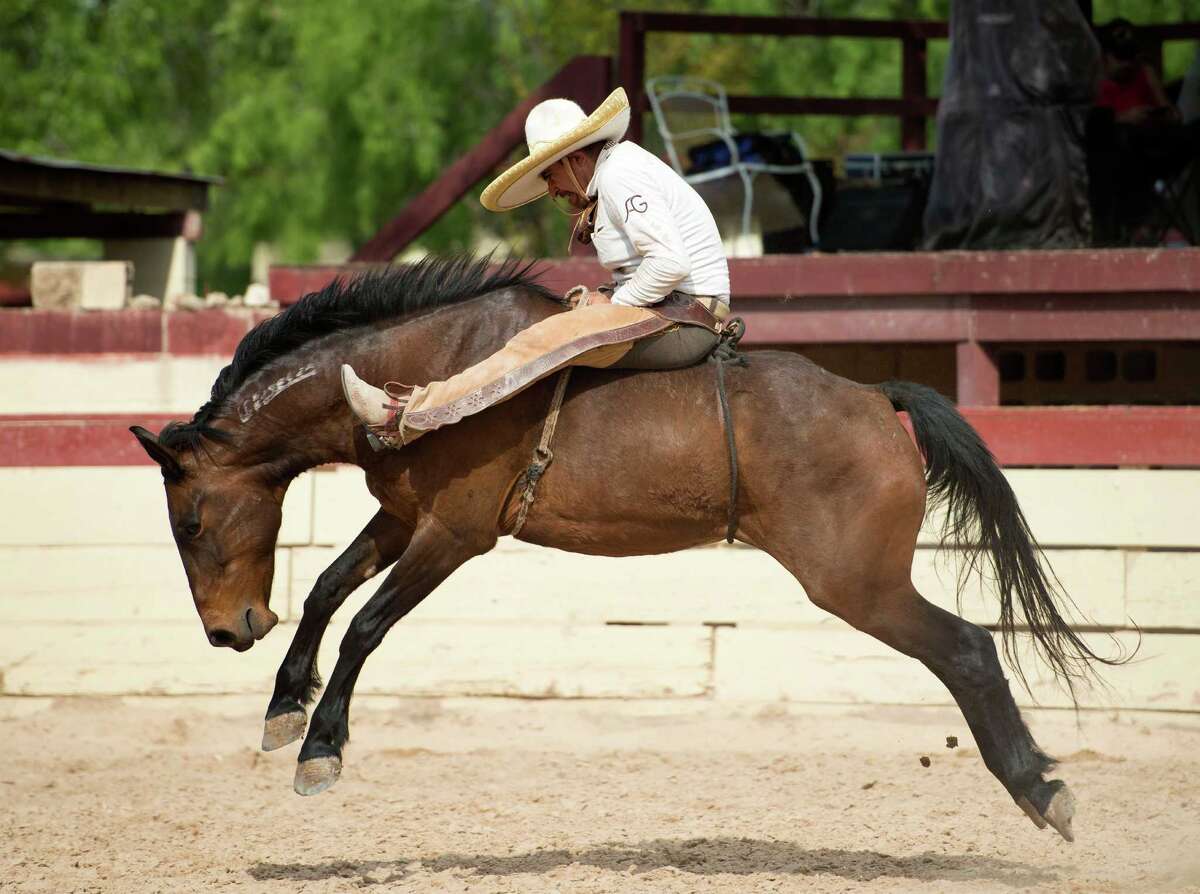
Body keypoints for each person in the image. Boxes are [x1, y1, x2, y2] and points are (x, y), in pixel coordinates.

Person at [341, 87, 731, 448]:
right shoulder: (616, 171)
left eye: (550, 174)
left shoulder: (620, 176)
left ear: (577, 158)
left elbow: (669, 263)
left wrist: (616, 303)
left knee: (538, 340)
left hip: (686, 318)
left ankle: (406, 417)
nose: (551, 189)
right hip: (673, 309)